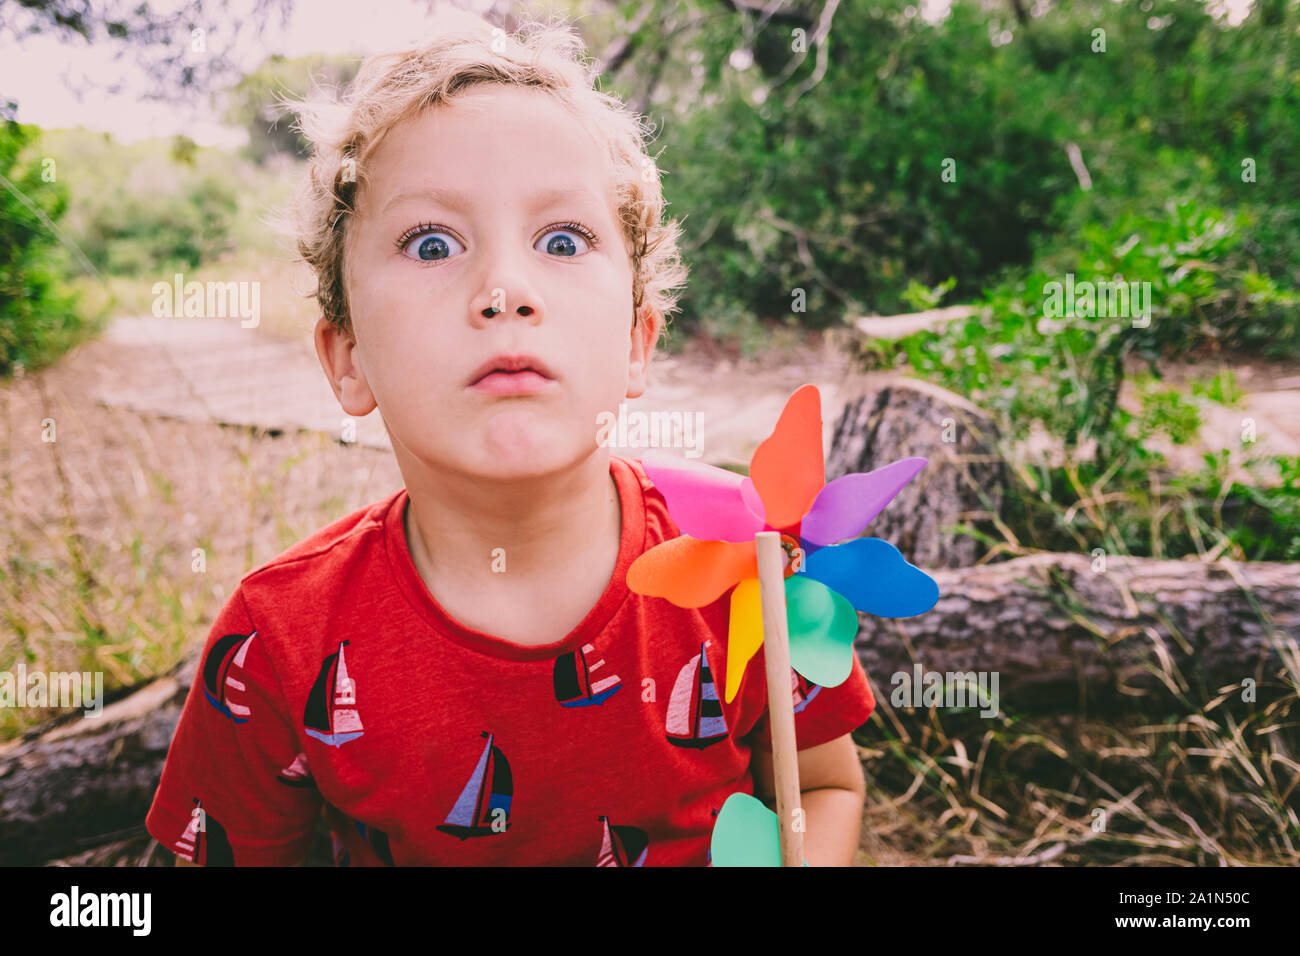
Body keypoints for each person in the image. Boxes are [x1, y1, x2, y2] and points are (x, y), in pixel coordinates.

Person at [146, 8, 874, 867]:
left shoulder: (744, 568)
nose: (505, 289)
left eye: (562, 240)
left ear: (637, 342)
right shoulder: (279, 639)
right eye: (431, 243)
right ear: (348, 362)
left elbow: (824, 785)